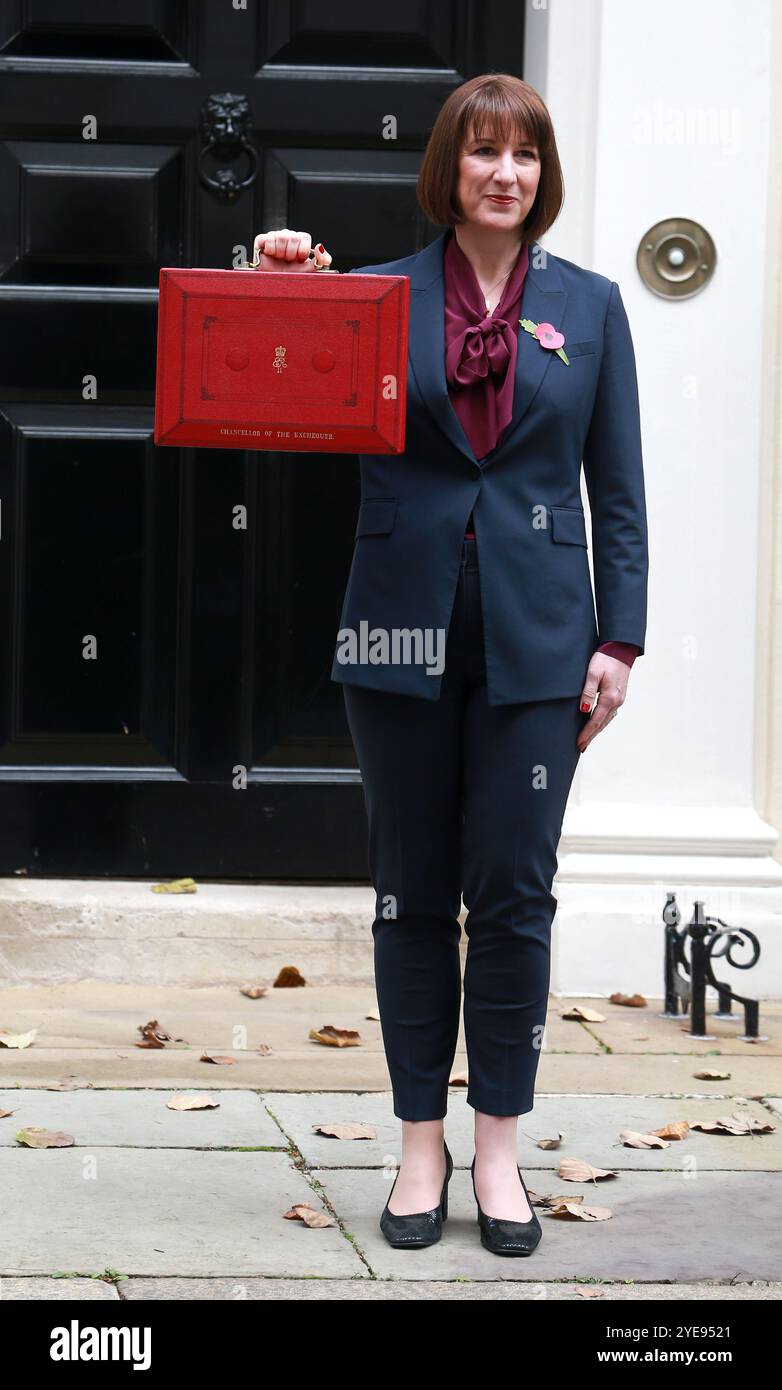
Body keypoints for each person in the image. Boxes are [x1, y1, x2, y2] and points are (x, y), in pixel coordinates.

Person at [249, 72, 648, 1256]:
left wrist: (616, 638)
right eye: (480, 153)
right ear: (448, 168)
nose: (502, 174)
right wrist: (277, 279)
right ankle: (418, 1143)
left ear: (543, 174)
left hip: (539, 645)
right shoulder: (374, 297)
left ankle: (498, 1152)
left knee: (513, 897)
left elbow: (615, 494)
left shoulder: (590, 305)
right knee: (410, 894)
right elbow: (268, 363)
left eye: (521, 155)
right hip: (397, 635)